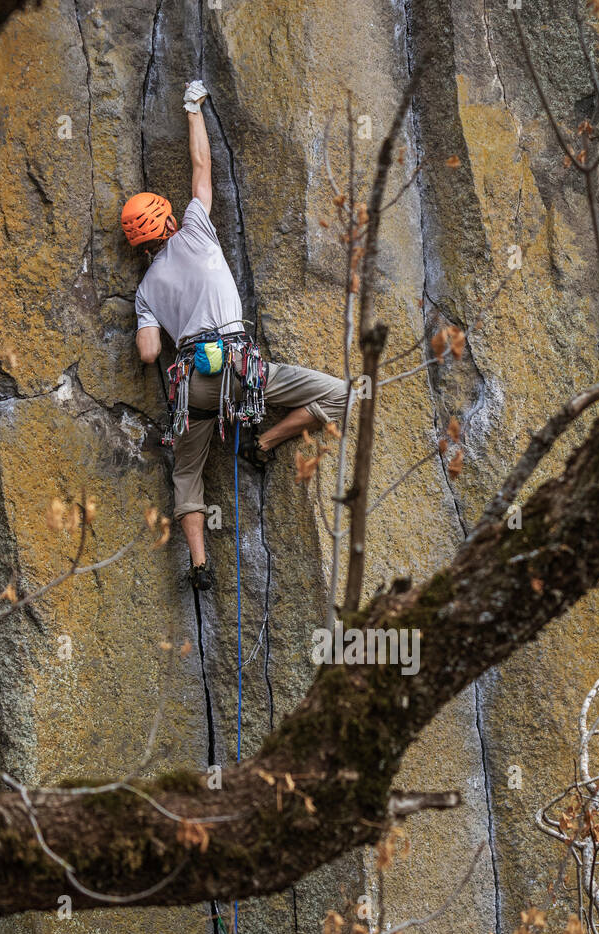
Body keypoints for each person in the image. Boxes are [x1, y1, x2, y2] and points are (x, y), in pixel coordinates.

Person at [123, 79, 347, 591]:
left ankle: (200, 564)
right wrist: (193, 108)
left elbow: (149, 351)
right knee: (338, 395)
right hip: (241, 371)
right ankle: (263, 442)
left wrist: (155, 316)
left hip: (193, 386)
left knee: (187, 472)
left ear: (139, 243)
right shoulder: (197, 230)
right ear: (170, 220)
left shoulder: (144, 289)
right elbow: (202, 169)